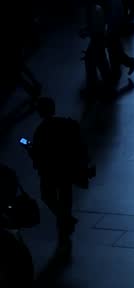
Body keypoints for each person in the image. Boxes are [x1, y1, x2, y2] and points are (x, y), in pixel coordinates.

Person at [28, 98, 91, 259]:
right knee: (65, 194)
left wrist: (29, 148)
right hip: (66, 167)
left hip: (49, 169)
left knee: (47, 195)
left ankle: (64, 218)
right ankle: (65, 218)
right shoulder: (66, 124)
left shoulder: (41, 130)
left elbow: (36, 152)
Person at [80, 0, 112, 90]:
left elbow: (95, 27)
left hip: (97, 37)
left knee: (93, 60)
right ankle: (105, 81)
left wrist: (86, 32)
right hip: (99, 37)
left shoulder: (93, 11)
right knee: (99, 59)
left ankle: (95, 83)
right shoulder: (97, 8)